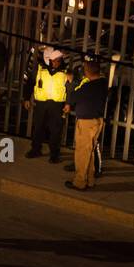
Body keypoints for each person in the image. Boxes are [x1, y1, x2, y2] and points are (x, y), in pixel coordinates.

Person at [65, 59, 109, 191]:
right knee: (89, 152)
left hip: (86, 122)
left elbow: (73, 98)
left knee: (82, 153)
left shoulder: (88, 87)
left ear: (87, 71)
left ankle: (79, 182)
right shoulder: (102, 84)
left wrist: (72, 82)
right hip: (97, 121)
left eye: (84, 69)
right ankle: (90, 180)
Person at [24, 47, 68, 163]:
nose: (56, 63)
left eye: (58, 60)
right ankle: (36, 149)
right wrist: (26, 98)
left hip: (57, 105)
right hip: (41, 104)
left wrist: (68, 104)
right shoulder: (40, 69)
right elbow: (30, 83)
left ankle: (54, 154)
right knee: (38, 128)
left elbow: (70, 90)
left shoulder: (65, 73)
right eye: (53, 60)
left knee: (55, 130)